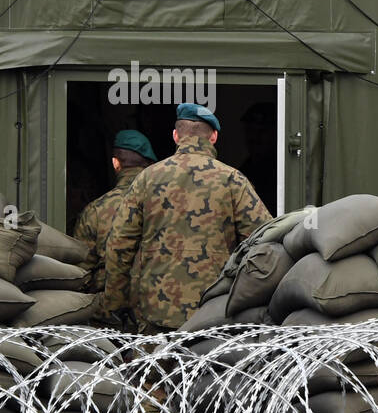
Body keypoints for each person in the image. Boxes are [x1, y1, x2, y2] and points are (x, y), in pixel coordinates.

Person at [102, 103, 270, 333]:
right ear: (213, 137)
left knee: (158, 370)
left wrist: (116, 304)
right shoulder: (233, 180)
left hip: (156, 313)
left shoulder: (147, 178)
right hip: (212, 313)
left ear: (175, 136)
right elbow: (263, 241)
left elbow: (119, 246)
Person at [72, 129, 157, 307]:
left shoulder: (95, 210)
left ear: (115, 163)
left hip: (108, 314)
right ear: (149, 165)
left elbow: (80, 272)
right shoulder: (165, 204)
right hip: (155, 310)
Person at [237, 101, 277, 211]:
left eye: (262, 131)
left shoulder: (282, 171)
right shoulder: (245, 170)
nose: (255, 138)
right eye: (250, 131)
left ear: (275, 133)